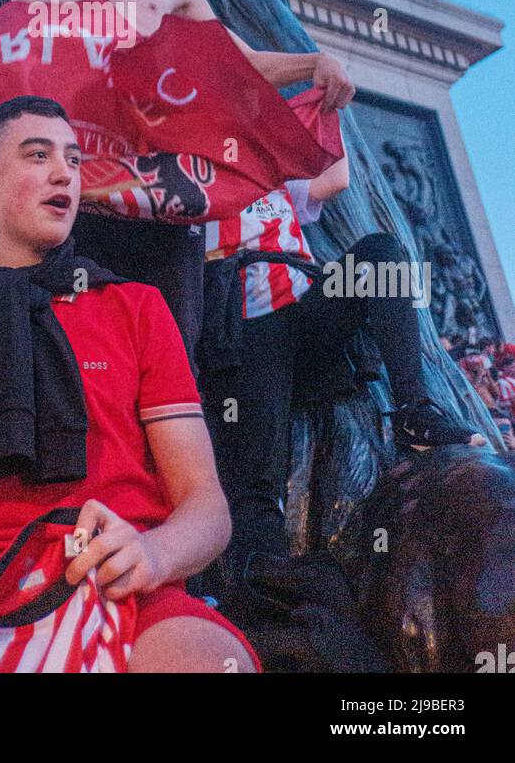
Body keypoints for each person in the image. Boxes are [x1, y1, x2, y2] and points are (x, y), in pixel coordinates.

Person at [0, 96, 261, 672]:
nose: (63, 172)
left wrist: (153, 552)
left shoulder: (138, 309)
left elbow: (207, 508)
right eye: (37, 155)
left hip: (126, 591)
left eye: (71, 158)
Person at [10, 0, 354, 363]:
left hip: (166, 203)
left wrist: (315, 62)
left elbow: (239, 67)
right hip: (84, 198)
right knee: (84, 355)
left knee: (172, 361)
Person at [199, 154, 486, 577]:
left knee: (380, 252)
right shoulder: (186, 188)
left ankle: (415, 412)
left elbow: (336, 178)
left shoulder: (273, 173)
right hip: (246, 326)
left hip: (306, 308)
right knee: (257, 483)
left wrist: (332, 92)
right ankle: (265, 596)